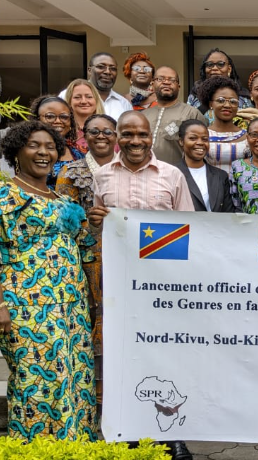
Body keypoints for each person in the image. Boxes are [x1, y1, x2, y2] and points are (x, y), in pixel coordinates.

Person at [88, 111, 193, 459]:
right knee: (124, 357)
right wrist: (96, 220)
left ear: (151, 137)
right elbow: (97, 230)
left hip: (164, 286)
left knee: (164, 358)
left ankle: (172, 435)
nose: (135, 141)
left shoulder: (172, 175)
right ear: (118, 136)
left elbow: (190, 231)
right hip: (119, 288)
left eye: (142, 135)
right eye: (128, 134)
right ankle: (128, 431)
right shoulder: (101, 177)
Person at [0, 120, 98, 442]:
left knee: (75, 380)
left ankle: (76, 448)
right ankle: (34, 449)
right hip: (27, 308)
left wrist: (99, 221)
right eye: (33, 145)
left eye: (50, 146)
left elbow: (86, 249)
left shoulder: (62, 199)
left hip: (72, 308)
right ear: (16, 151)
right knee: (38, 386)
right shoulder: (5, 196)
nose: (44, 152)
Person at [55, 114, 118, 420]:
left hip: (129, 261)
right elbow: (65, 219)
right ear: (84, 135)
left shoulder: (129, 167)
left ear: (116, 135)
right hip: (88, 262)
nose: (102, 136)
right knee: (94, 326)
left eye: (108, 131)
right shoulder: (72, 171)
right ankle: (96, 405)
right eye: (95, 131)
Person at [142, 66, 208, 165]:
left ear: (179, 87)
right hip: (145, 173)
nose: (166, 82)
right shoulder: (143, 115)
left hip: (178, 175)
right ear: (152, 84)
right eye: (160, 79)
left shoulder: (191, 113)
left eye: (172, 80)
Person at [174, 119, 236, 212]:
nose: (200, 143)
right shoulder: (172, 173)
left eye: (205, 139)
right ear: (181, 141)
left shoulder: (221, 176)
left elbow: (228, 213)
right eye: (193, 138)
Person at [197, 76, 249, 174]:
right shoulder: (201, 135)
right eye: (221, 100)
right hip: (209, 187)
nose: (227, 105)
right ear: (210, 104)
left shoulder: (247, 137)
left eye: (233, 101)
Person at [31, 95, 84, 189]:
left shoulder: (78, 153)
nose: (58, 121)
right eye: (50, 116)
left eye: (64, 117)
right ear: (37, 120)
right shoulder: (28, 149)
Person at [60, 52, 132, 119]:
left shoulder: (124, 104)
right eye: (101, 67)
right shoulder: (66, 95)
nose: (107, 72)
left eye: (113, 69)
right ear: (89, 70)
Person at [187, 48, 253, 119]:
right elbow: (188, 119)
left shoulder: (243, 96)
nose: (215, 68)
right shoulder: (195, 95)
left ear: (229, 69)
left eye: (220, 64)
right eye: (210, 64)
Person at [64, 79, 105, 153]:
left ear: (96, 100)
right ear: (69, 101)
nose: (83, 101)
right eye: (77, 97)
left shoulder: (108, 130)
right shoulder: (63, 130)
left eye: (89, 97)